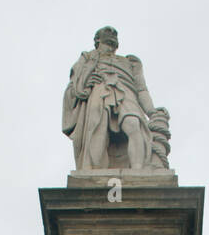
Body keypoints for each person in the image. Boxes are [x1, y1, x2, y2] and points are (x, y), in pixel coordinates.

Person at [63, 26, 163, 171]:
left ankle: (138, 170)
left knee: (133, 123)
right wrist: (83, 85)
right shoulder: (87, 58)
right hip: (99, 90)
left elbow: (141, 89)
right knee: (98, 129)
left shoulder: (130, 62)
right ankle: (94, 170)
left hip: (126, 92)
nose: (112, 33)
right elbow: (75, 83)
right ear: (97, 39)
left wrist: (152, 111)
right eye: (108, 32)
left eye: (115, 34)